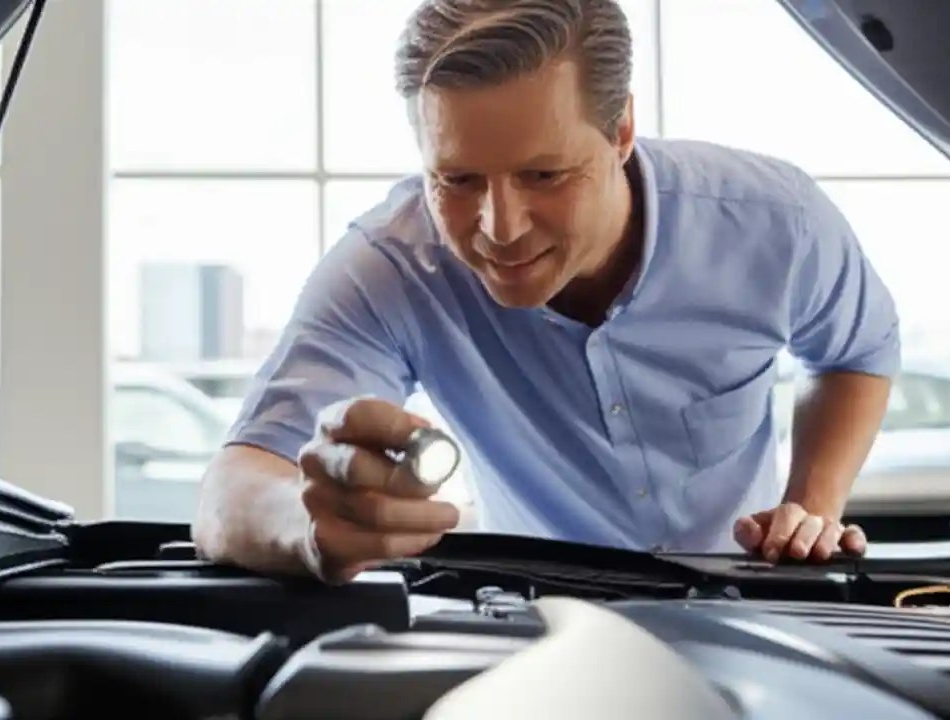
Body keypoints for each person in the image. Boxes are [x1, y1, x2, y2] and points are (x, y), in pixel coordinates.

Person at [192, 0, 899, 583]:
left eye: (544, 176)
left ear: (620, 128)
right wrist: (312, 526)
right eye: (457, 180)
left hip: (757, 606)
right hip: (540, 624)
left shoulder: (777, 223)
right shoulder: (391, 265)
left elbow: (858, 349)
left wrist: (810, 505)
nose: (499, 229)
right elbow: (230, 494)